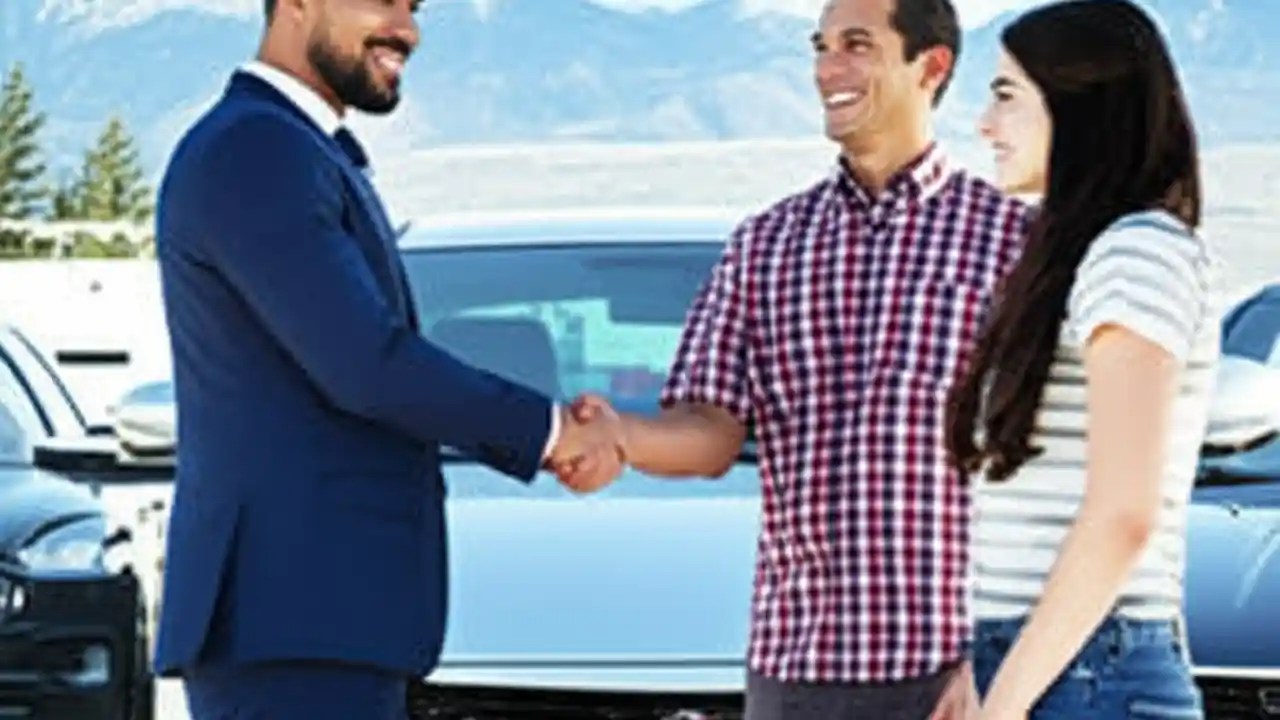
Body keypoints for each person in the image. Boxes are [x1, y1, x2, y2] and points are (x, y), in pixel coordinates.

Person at [150, 0, 620, 717]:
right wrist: (552, 432)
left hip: (318, 618)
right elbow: (365, 365)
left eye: (414, 7)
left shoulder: (295, 149)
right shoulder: (257, 151)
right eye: (383, 2)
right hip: (296, 618)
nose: (407, 29)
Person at [563, 0, 1031, 716]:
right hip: (799, 667)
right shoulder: (766, 244)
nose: (826, 70)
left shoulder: (1013, 243)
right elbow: (711, 427)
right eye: (819, 47)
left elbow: (1060, 465)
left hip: (960, 672)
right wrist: (621, 436)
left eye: (856, 45)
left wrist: (1004, 666)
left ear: (930, 66)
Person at [944, 1, 1218, 718]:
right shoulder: (1078, 253)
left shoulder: (1136, 254)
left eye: (1006, 95)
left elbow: (1123, 513)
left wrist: (1003, 705)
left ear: (1079, 107)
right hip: (1048, 664)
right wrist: (980, 680)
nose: (984, 123)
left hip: (1095, 675)